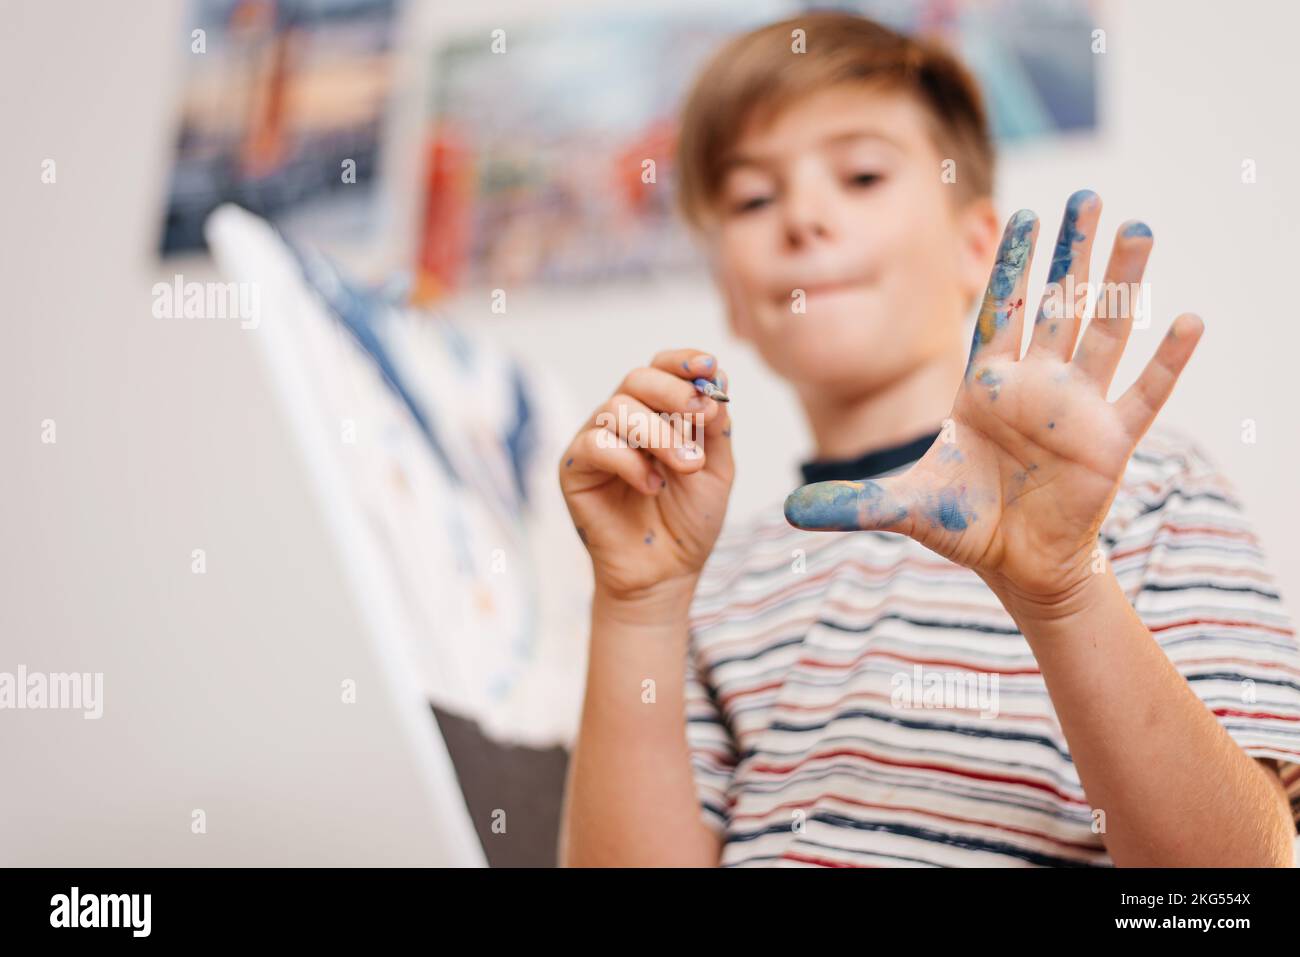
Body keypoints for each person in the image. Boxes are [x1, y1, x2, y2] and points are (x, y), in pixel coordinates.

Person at [556, 11, 1300, 866]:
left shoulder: (1146, 489)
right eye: (753, 197)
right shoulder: (704, 578)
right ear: (730, 294)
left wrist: (1063, 587)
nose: (802, 217)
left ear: (974, 245)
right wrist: (638, 605)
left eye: (863, 175)